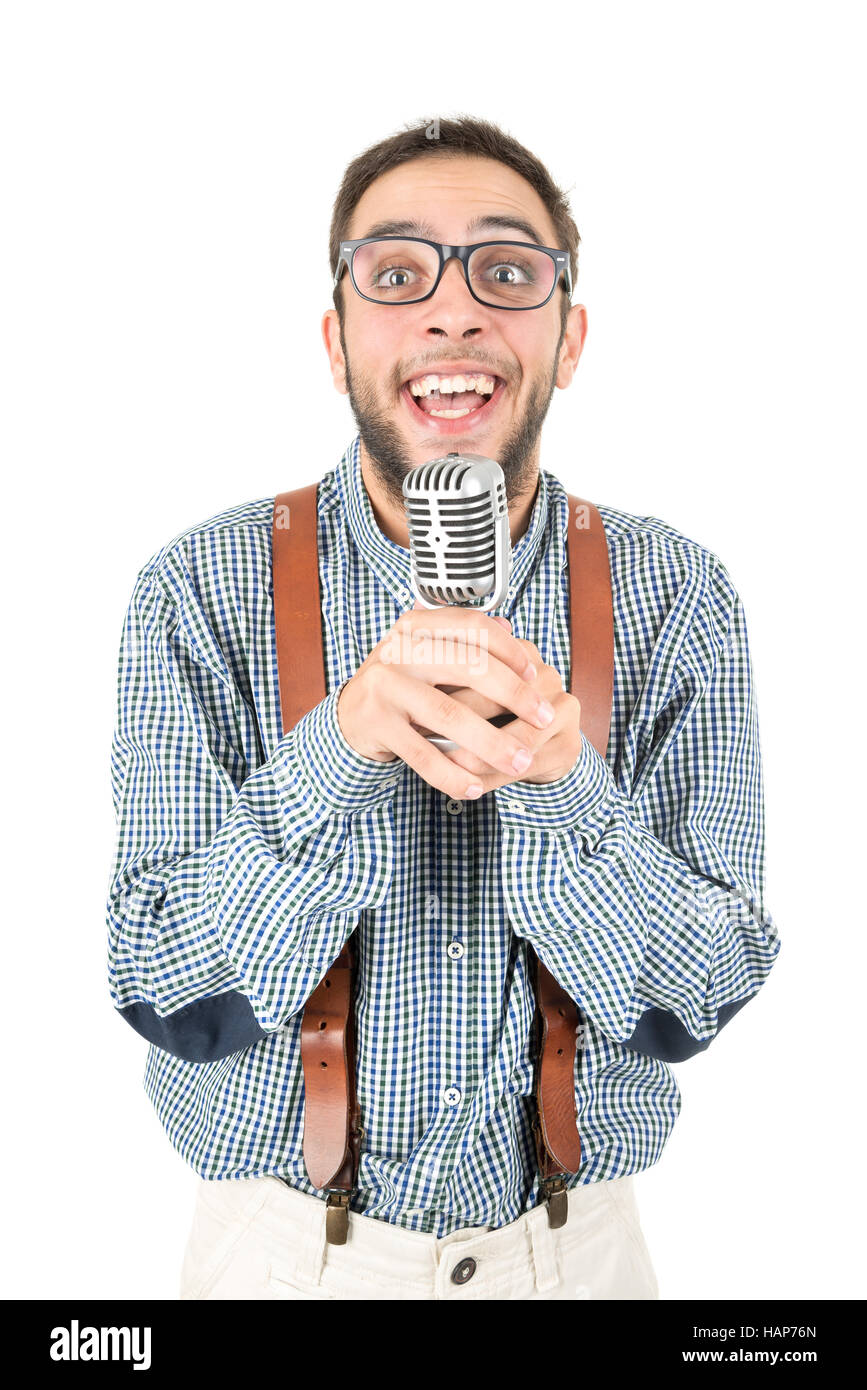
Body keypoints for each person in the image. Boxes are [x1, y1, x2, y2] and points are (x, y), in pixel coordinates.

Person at [106, 115, 781, 1301]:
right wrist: (339, 750)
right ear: (337, 340)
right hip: (280, 1261)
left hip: (575, 1259)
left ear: (568, 339)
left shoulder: (680, 598)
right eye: (398, 272)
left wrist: (567, 787)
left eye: (507, 273)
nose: (453, 312)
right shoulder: (196, 591)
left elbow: (703, 992)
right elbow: (163, 982)